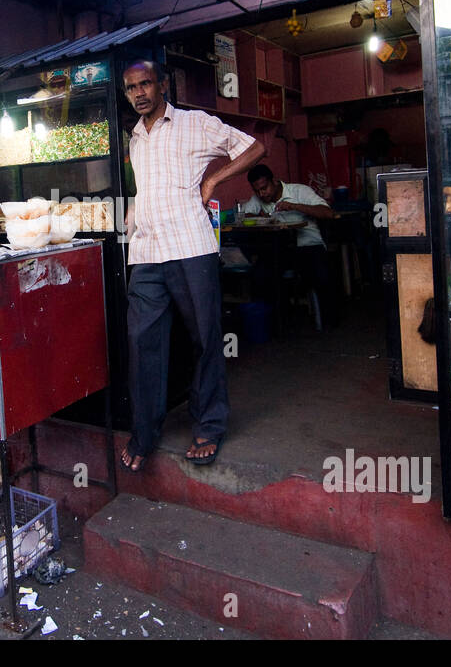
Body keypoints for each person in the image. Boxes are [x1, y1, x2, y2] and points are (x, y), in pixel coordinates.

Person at [121, 59, 264, 471]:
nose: (139, 93)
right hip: (146, 253)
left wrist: (214, 181)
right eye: (132, 88)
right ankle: (145, 432)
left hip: (190, 247)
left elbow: (254, 147)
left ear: (162, 84)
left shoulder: (195, 123)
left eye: (146, 84)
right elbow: (148, 189)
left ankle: (209, 426)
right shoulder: (135, 138)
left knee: (204, 337)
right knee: (142, 342)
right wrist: (132, 217)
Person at [240, 164, 338, 327]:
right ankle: (277, 322)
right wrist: (258, 216)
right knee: (261, 274)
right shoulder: (258, 198)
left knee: (320, 274)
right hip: (281, 249)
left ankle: (327, 323)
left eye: (264, 188)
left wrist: (294, 206)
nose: (262, 194)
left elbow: (328, 213)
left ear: (275, 182)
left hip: (308, 245)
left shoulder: (299, 191)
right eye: (257, 191)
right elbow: (243, 215)